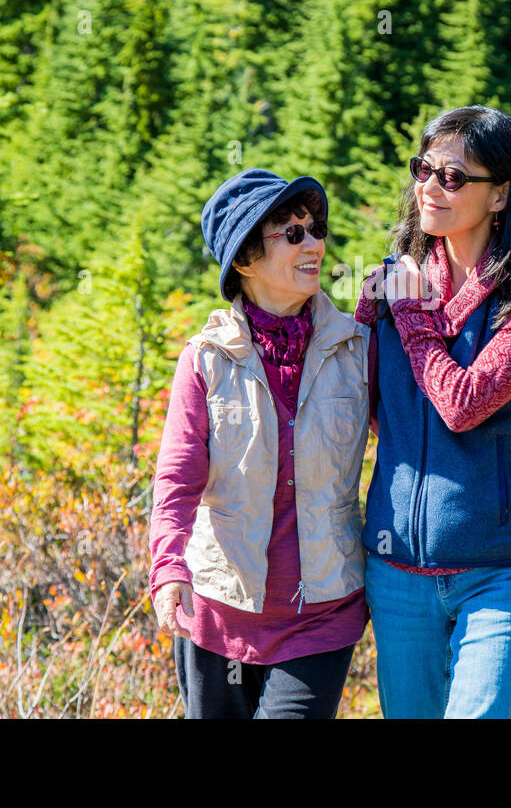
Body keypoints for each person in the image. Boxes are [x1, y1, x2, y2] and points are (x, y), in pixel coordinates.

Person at [354, 104, 511, 719]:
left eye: (453, 177)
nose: (429, 187)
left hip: (502, 569)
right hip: (397, 567)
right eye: (423, 170)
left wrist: (412, 316)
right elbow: (360, 406)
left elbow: (461, 404)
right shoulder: (390, 284)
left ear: (500, 194)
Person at [149, 168, 370, 718]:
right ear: (245, 261)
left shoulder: (357, 349)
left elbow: (415, 444)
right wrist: (168, 569)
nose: (314, 243)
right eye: (292, 234)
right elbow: (177, 478)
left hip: (323, 613)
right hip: (218, 609)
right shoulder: (204, 359)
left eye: (315, 228)